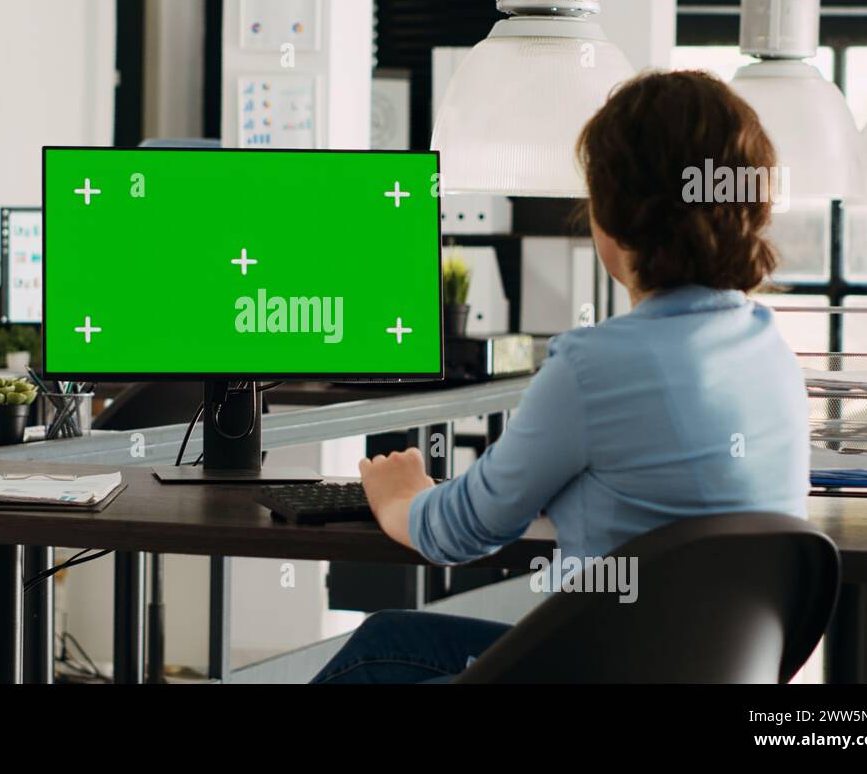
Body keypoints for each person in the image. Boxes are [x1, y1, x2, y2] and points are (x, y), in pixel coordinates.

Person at [312, 70, 811, 684]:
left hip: (600, 670)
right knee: (389, 639)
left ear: (611, 216)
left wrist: (401, 500)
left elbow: (467, 529)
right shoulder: (770, 349)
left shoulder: (591, 366)